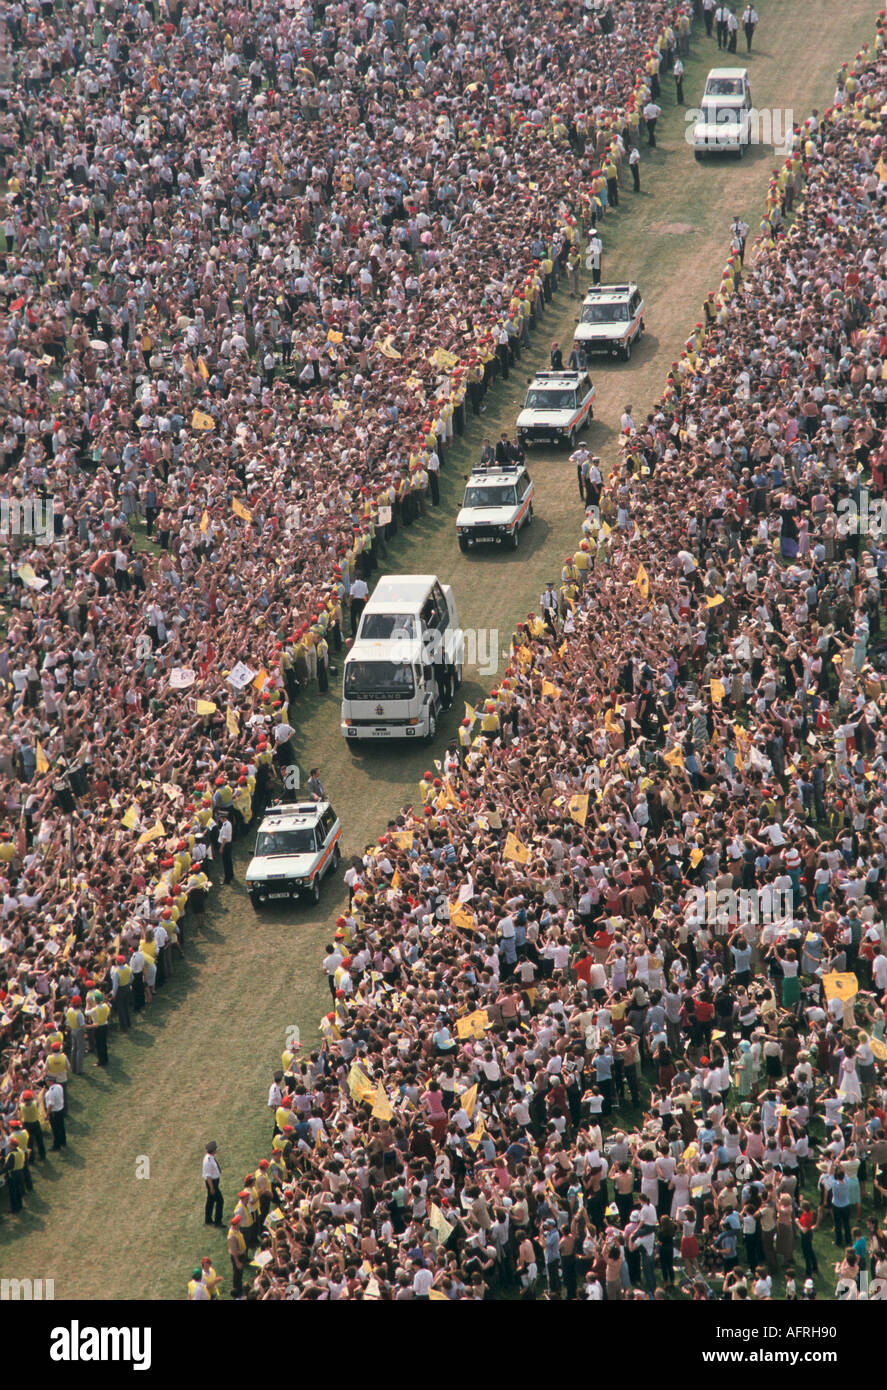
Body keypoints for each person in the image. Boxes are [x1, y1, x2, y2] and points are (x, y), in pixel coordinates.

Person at [203, 1141, 223, 1227]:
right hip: (212, 1183)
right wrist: (212, 1188)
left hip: (213, 1183)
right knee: (220, 1201)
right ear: (213, 1150)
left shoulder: (210, 1158)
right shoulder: (208, 1161)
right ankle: (218, 1221)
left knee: (210, 1200)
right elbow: (208, 1176)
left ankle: (208, 1219)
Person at [218, 814, 234, 886]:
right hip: (229, 844)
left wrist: (221, 848)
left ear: (223, 818)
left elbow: (224, 838)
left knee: (226, 863)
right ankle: (231, 874)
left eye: (220, 818)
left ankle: (227, 879)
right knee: (229, 861)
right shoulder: (228, 823)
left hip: (225, 845)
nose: (219, 819)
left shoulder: (225, 826)